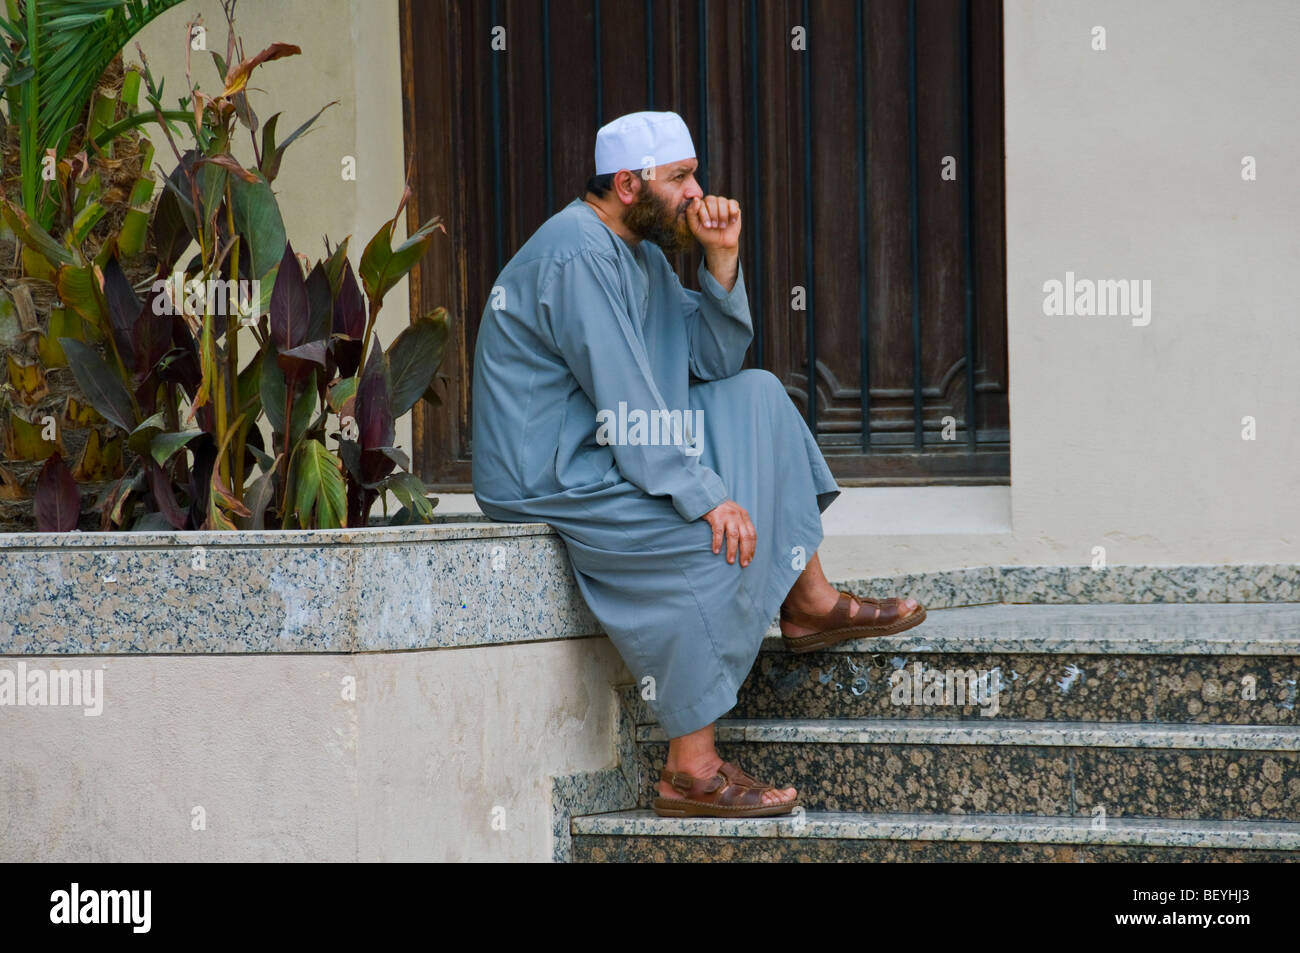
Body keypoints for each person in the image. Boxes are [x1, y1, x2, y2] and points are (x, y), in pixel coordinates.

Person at [471, 110, 926, 818]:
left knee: (759, 396)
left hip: (612, 440)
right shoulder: (575, 253)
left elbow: (709, 364)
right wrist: (706, 495)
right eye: (680, 177)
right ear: (629, 184)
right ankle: (690, 769)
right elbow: (626, 404)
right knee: (708, 538)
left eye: (694, 173)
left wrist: (720, 259)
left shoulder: (645, 256)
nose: (698, 192)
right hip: (554, 469)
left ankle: (805, 600)